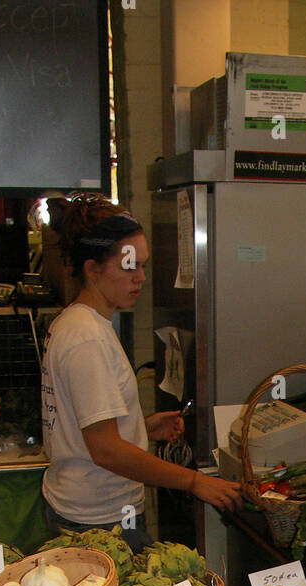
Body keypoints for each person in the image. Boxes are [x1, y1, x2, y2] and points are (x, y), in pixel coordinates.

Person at [40, 194, 241, 550]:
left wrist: (139, 427)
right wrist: (194, 482)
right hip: (100, 520)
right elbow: (106, 451)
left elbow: (84, 429)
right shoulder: (87, 338)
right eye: (129, 266)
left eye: (143, 266)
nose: (141, 278)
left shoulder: (81, 324)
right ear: (92, 268)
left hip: (88, 508)